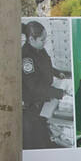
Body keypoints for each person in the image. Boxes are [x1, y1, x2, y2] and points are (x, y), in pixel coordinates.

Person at [21, 21, 63, 150]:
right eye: (42, 40)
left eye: (45, 39)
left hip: (44, 100)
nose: (45, 42)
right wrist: (58, 93)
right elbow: (34, 86)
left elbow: (45, 66)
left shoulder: (39, 49)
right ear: (31, 39)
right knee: (39, 141)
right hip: (33, 107)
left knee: (46, 134)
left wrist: (57, 73)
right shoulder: (26, 57)